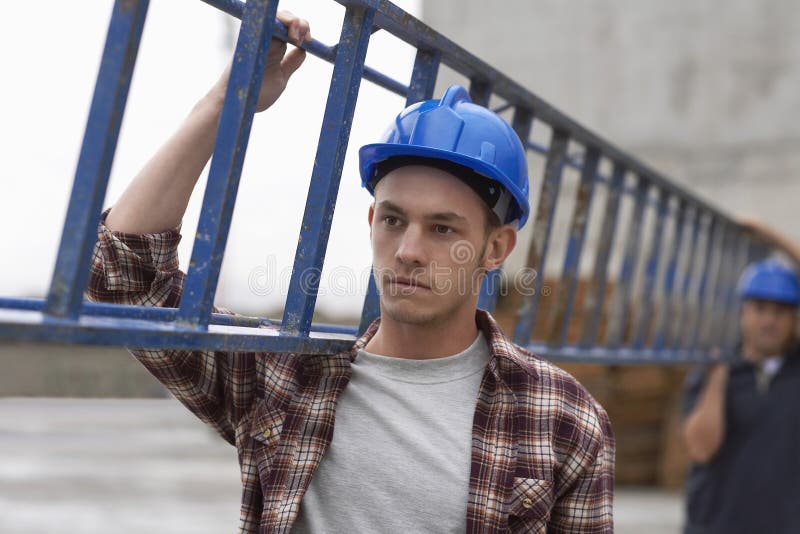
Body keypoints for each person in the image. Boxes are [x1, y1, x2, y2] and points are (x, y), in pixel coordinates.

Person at [86, 11, 614, 533]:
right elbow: (126, 278)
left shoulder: (561, 418)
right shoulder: (284, 379)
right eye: (393, 219)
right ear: (371, 221)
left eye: (443, 229)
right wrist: (226, 103)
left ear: (496, 248)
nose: (407, 250)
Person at [681, 255, 800, 534]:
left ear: (794, 319)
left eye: (781, 311)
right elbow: (700, 449)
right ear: (742, 312)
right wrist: (719, 376)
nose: (770, 320)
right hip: (714, 526)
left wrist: (770, 233)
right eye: (760, 308)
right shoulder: (712, 372)